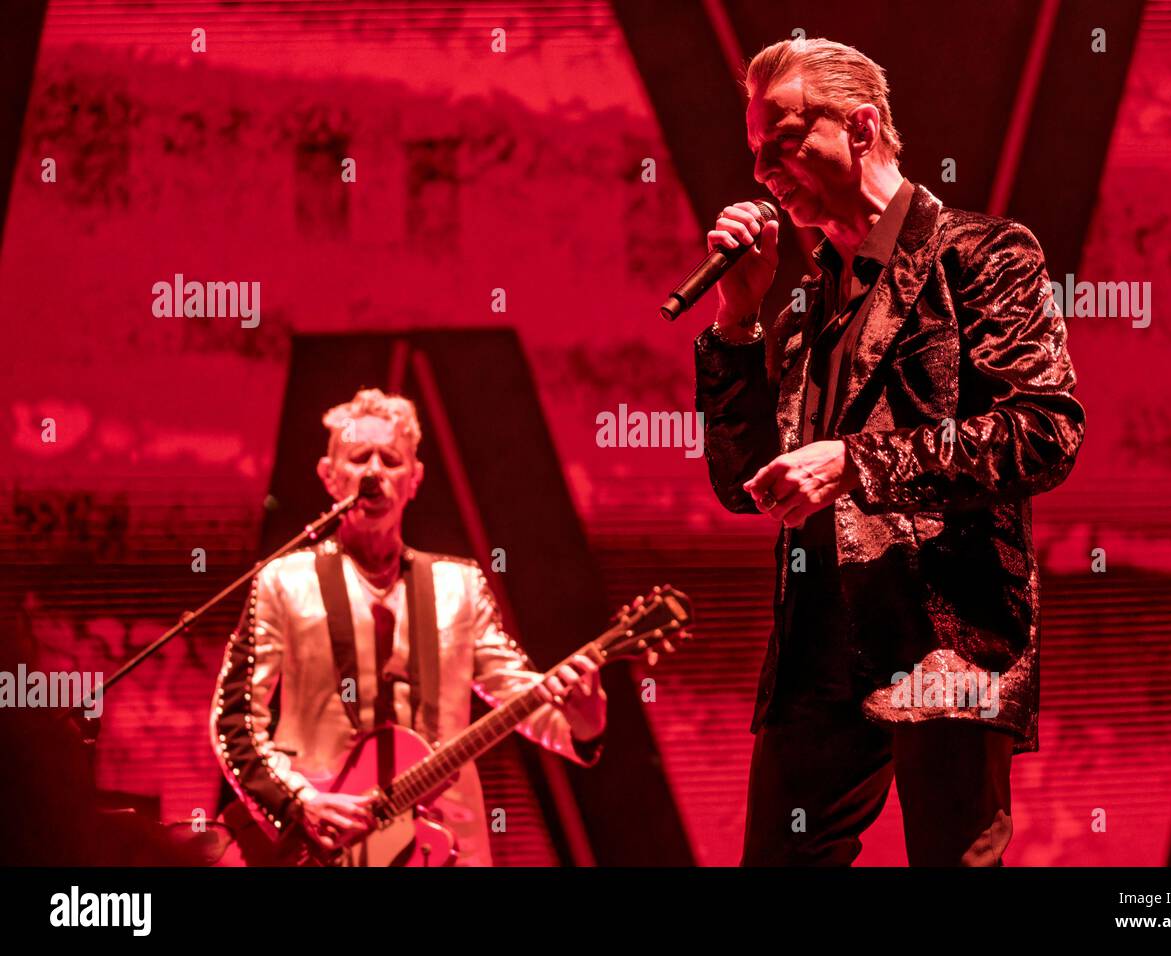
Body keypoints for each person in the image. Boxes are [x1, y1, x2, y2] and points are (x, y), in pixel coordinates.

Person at [694, 38, 1086, 866]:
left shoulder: (983, 255)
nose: (763, 168)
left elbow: (1046, 433)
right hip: (817, 640)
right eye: (754, 149)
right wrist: (737, 319)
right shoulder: (804, 304)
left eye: (785, 140)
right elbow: (743, 484)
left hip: (943, 627)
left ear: (862, 127)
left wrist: (855, 464)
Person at [210, 387, 607, 866]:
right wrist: (300, 804)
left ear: (415, 479)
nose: (375, 472)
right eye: (359, 458)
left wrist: (583, 726)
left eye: (391, 460)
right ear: (329, 477)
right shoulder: (283, 580)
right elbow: (233, 723)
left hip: (448, 851)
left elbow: (520, 696)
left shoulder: (459, 587)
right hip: (327, 850)